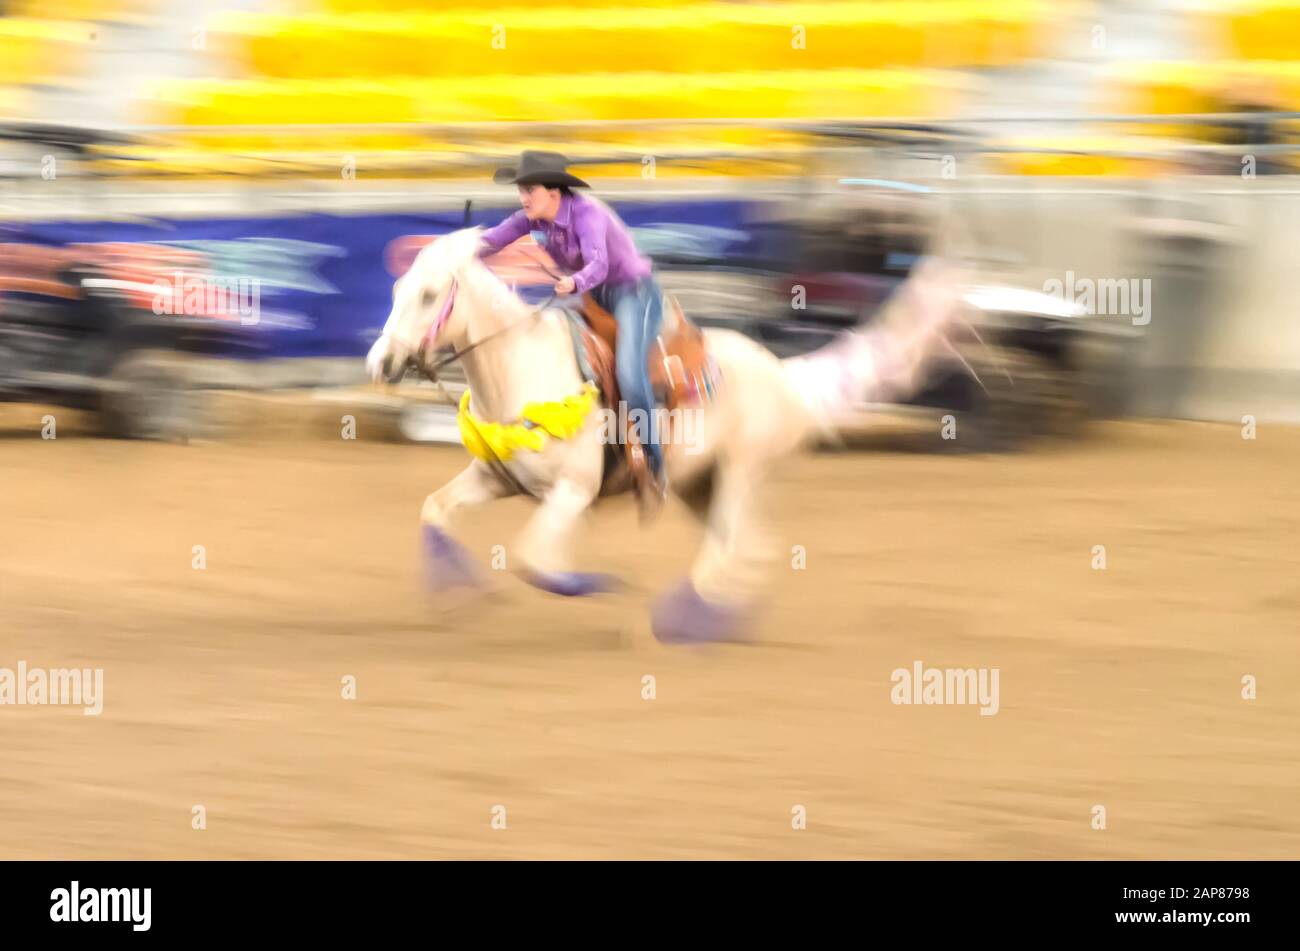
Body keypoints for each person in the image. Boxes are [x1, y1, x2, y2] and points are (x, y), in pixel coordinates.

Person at [478, 150, 666, 498]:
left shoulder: (588, 214)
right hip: (590, 295)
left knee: (629, 372)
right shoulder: (533, 219)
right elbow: (493, 239)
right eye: (521, 190)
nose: (522, 197)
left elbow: (598, 262)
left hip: (632, 293)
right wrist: (461, 250)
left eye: (528, 190)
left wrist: (575, 283)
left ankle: (655, 462)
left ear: (553, 193)